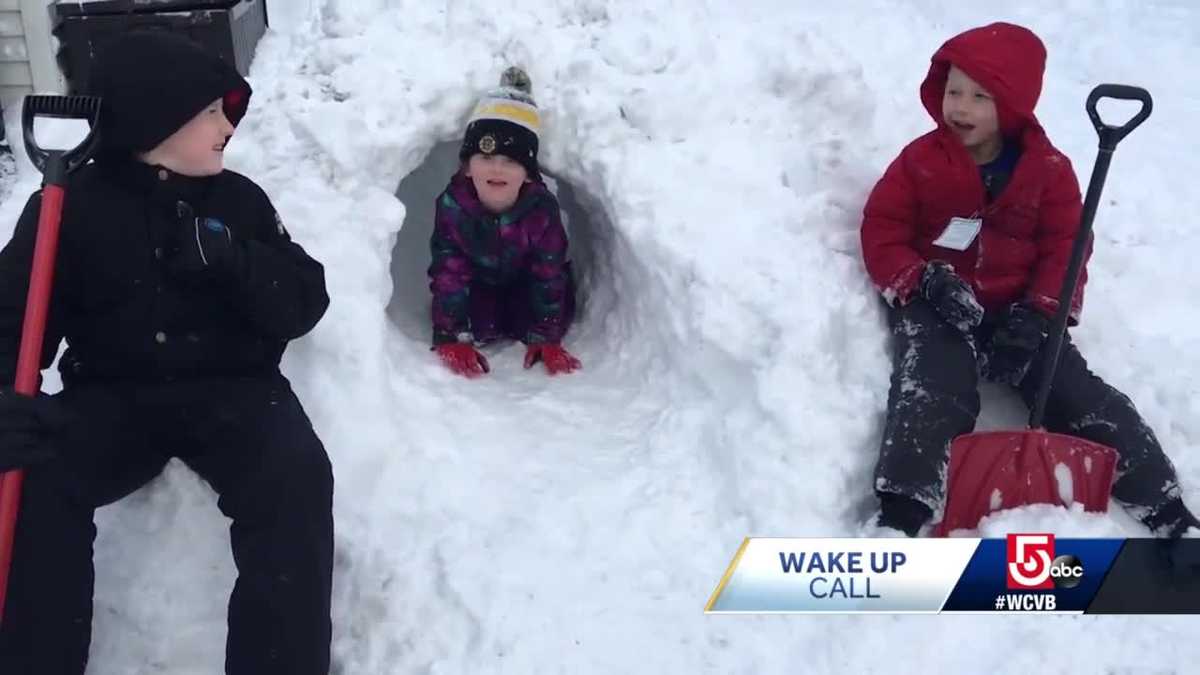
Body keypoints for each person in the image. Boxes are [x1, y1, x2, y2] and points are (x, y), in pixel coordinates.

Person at [0, 32, 333, 674]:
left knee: (295, 482)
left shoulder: (240, 200)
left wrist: (237, 260)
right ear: (158, 118)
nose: (227, 124)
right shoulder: (68, 208)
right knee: (39, 478)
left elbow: (302, 302)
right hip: (112, 397)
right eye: (210, 110)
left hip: (237, 395)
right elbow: (13, 317)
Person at [860, 22, 1198, 538]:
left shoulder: (1048, 171)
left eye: (979, 96)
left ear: (1013, 106)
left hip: (1018, 311)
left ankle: (1167, 507)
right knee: (931, 383)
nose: (960, 107)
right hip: (941, 303)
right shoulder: (920, 162)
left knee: (1073, 389)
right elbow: (882, 229)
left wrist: (1041, 312)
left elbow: (1067, 244)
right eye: (953, 91)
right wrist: (923, 280)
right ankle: (903, 509)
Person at [429, 68, 581, 378]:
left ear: (527, 173)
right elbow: (449, 271)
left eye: (510, 161)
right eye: (486, 158)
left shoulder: (540, 210)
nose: (497, 169)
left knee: (541, 317)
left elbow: (547, 273)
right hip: (480, 282)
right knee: (482, 327)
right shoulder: (453, 206)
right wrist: (451, 333)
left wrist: (546, 334)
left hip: (524, 282)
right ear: (468, 167)